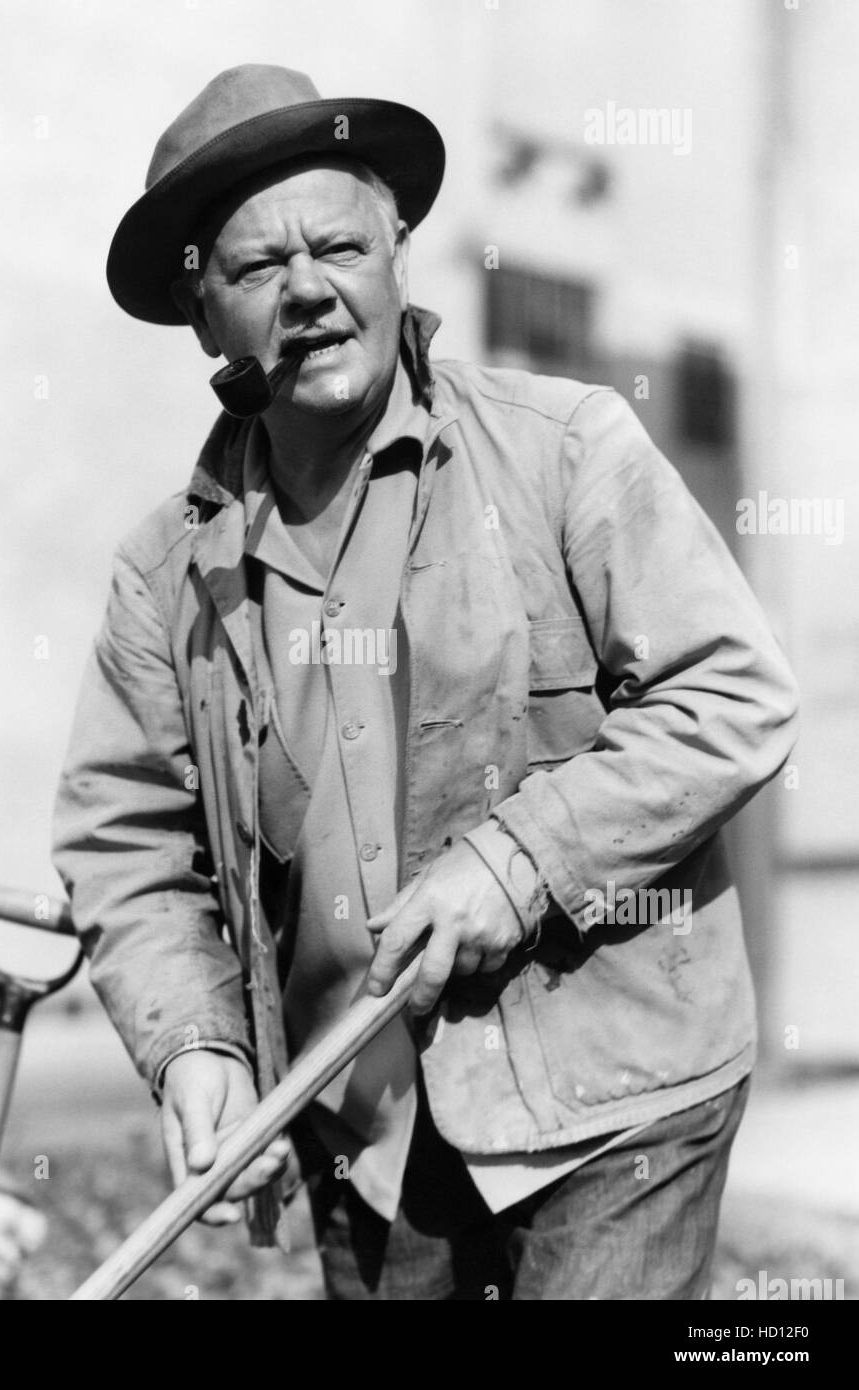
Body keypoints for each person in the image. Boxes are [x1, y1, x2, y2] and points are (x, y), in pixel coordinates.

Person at [52, 64, 800, 1300]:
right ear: (203, 315)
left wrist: (515, 861)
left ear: (397, 246)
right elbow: (128, 842)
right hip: (370, 1137)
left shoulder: (564, 450)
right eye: (254, 270)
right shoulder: (165, 580)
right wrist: (196, 1047)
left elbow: (730, 697)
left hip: (613, 1099)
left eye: (337, 243)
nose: (306, 291)